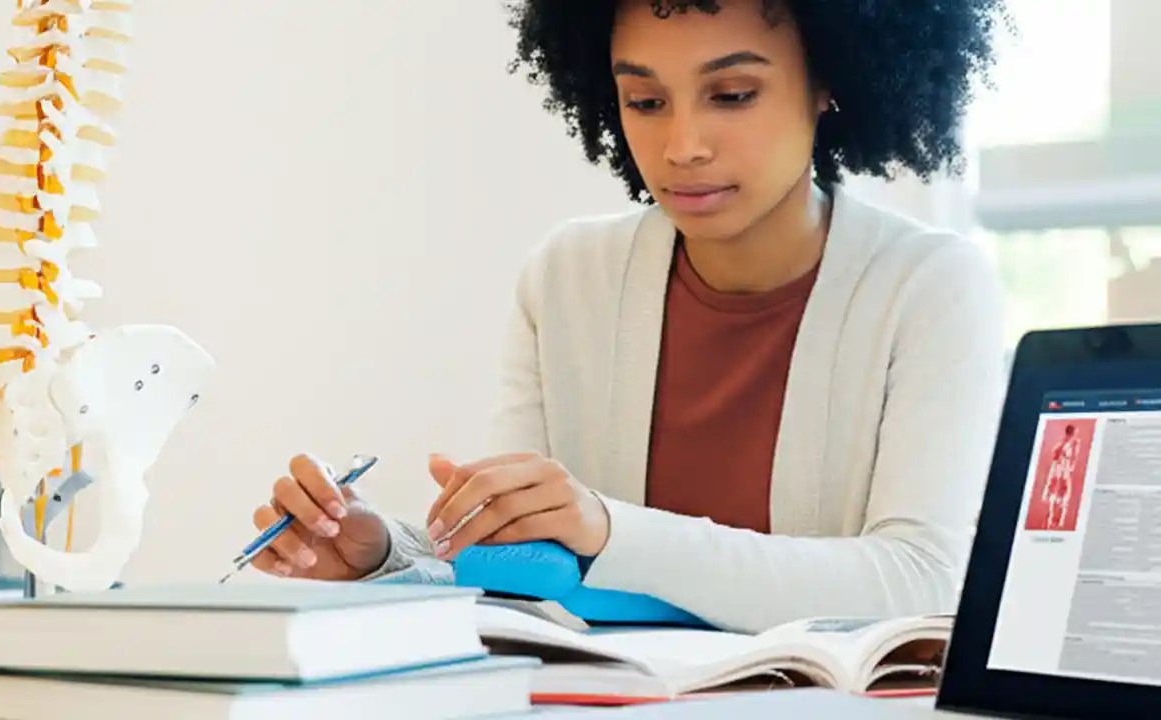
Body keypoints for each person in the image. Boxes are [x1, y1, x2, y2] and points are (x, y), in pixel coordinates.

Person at [248, 0, 1010, 633]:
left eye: (733, 94)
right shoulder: (567, 278)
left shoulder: (930, 285)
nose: (682, 146)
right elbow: (524, 564)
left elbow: (922, 582)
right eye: (645, 101)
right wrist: (382, 555)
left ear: (827, 83)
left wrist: (611, 529)